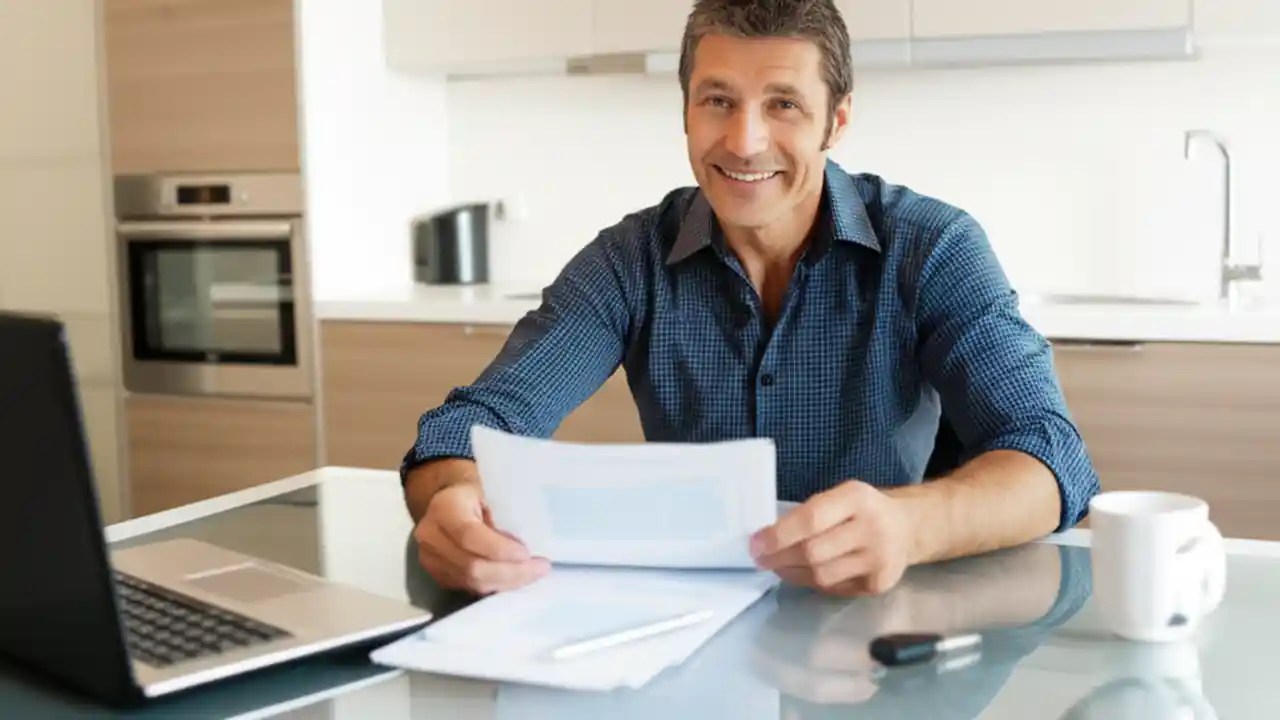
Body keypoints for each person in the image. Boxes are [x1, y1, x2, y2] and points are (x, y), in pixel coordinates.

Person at [401, 0, 1100, 598]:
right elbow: (468, 427)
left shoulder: (932, 247)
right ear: (685, 112)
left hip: (883, 622)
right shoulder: (630, 260)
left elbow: (1051, 456)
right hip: (689, 620)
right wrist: (453, 499)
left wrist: (909, 526)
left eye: (783, 104)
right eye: (718, 101)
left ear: (837, 121)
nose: (744, 141)